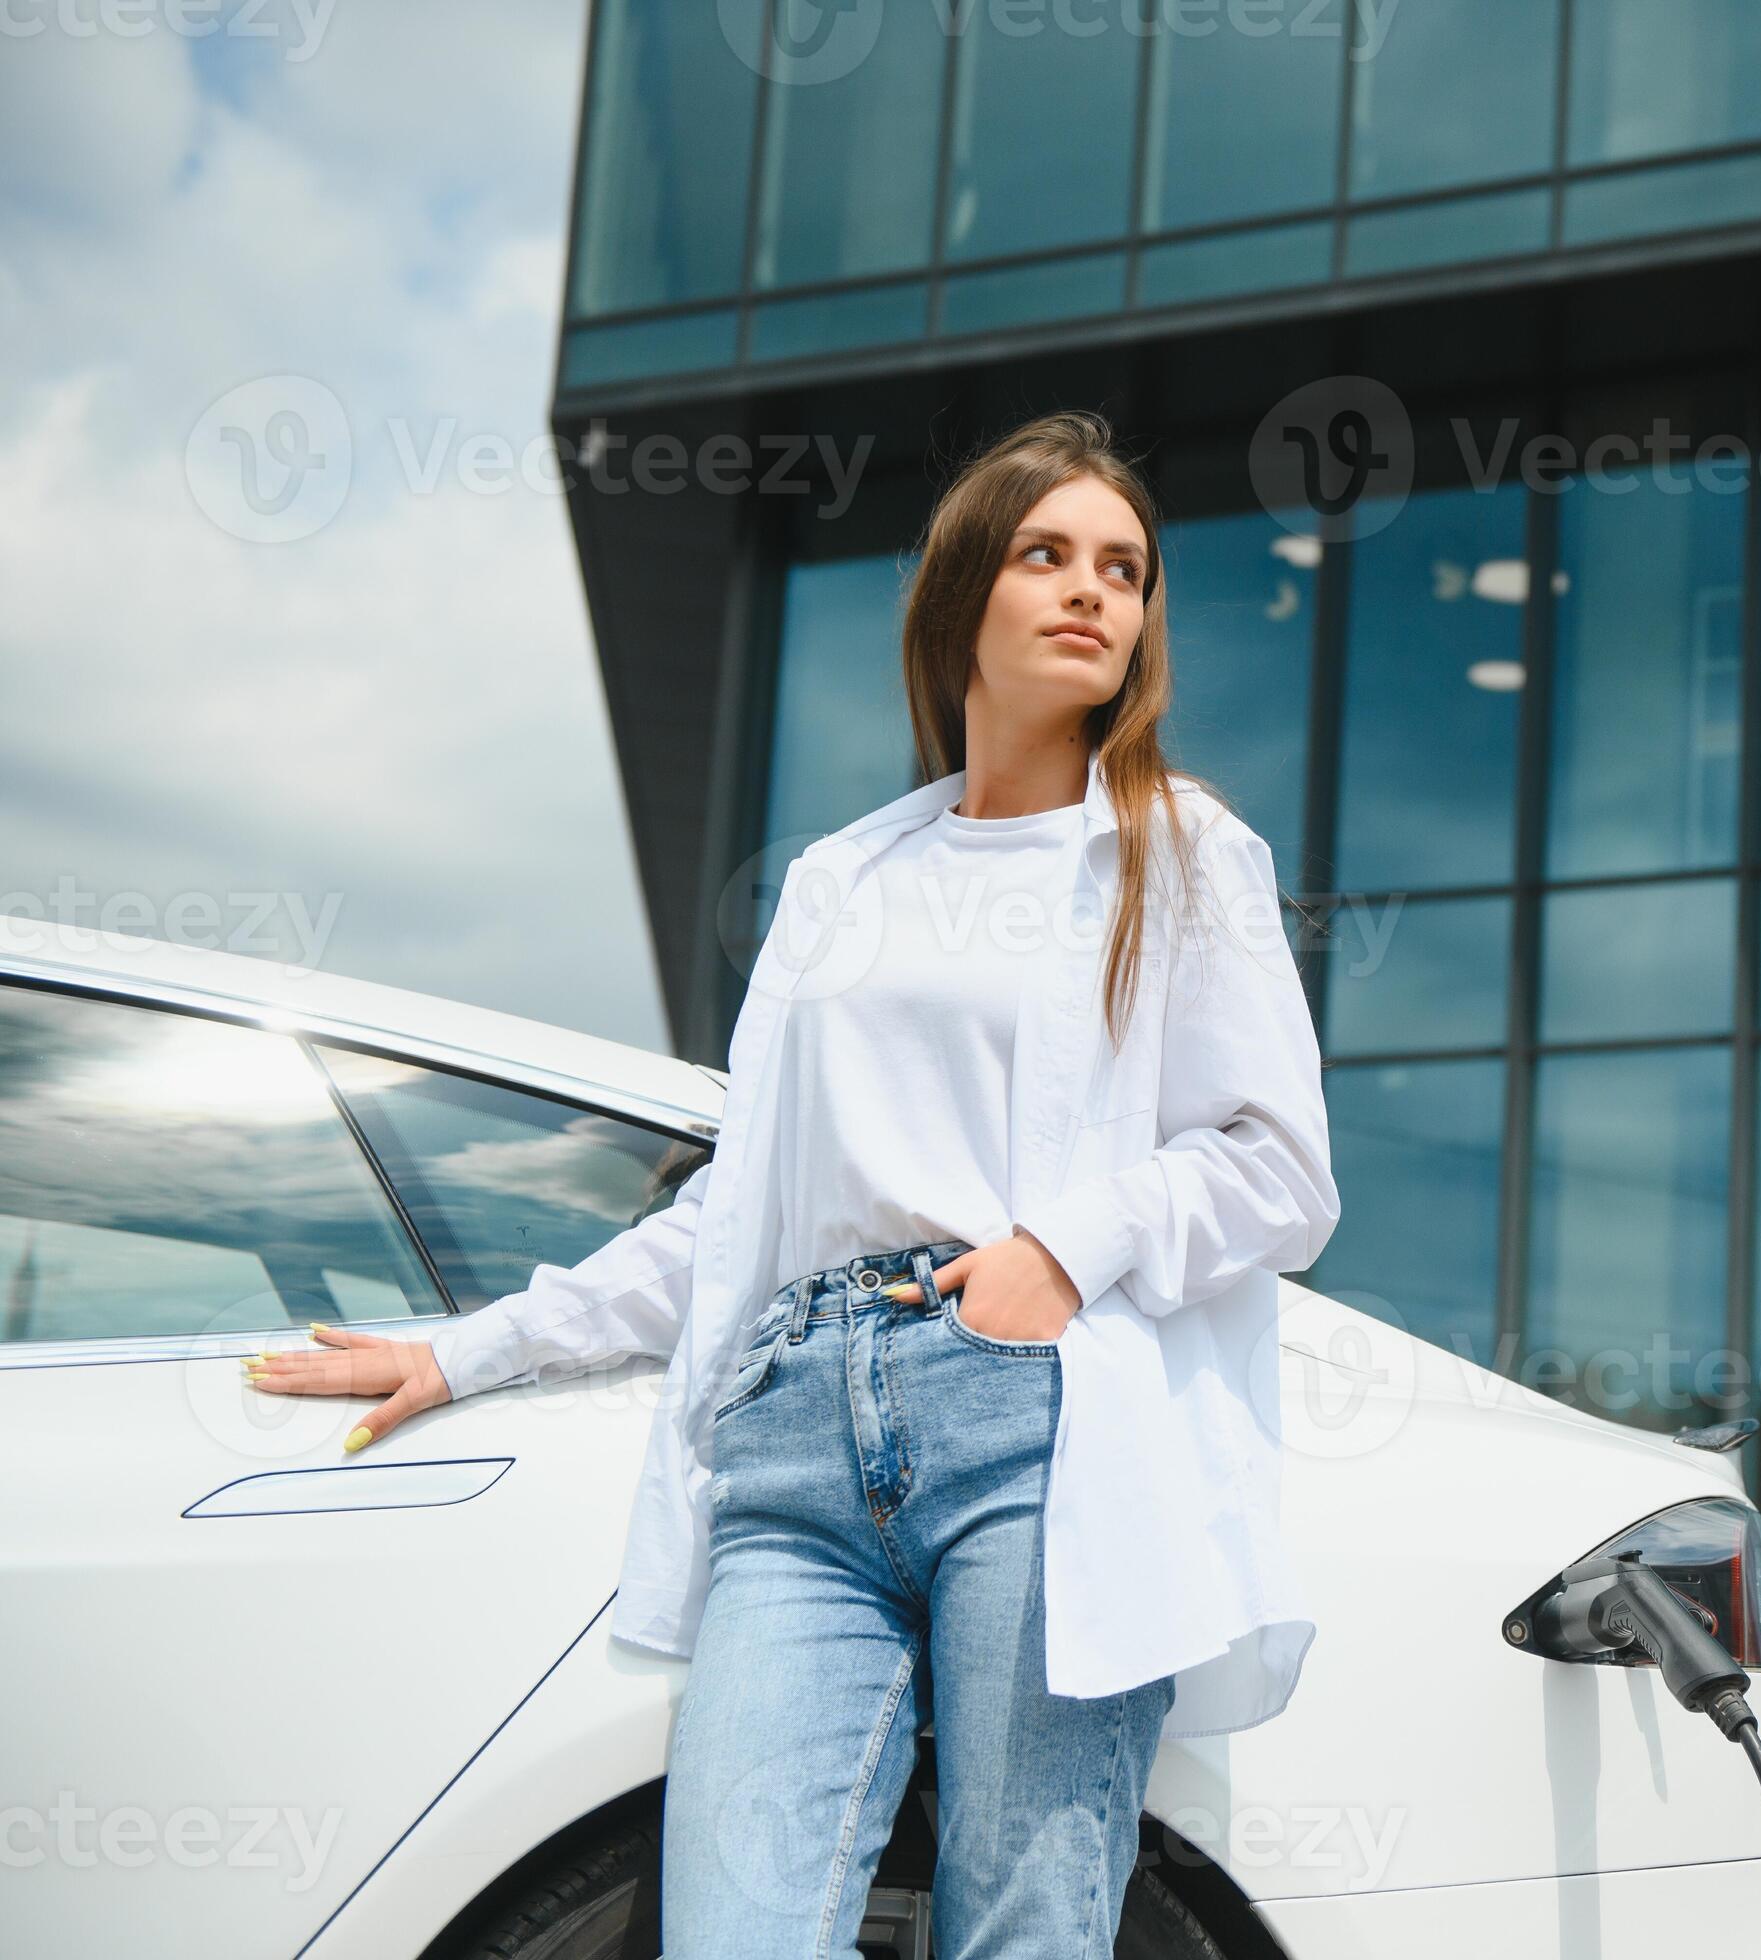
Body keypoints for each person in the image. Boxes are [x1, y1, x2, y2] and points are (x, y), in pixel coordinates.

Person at [245, 409, 1340, 1957]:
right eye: (1047, 556)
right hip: (794, 1440)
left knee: (1026, 1923)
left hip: (1029, 1420)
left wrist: (1063, 1249)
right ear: (963, 597)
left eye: (1125, 569)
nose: (1095, 593)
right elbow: (738, 1213)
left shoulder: (1178, 850)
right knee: (735, 1930)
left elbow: (1279, 1169)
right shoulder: (844, 881)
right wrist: (464, 1347)